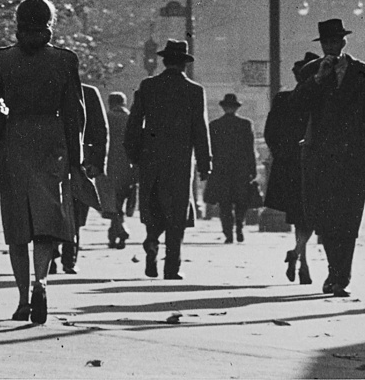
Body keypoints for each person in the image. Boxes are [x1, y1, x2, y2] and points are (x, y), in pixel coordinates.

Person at [0, 0, 83, 327]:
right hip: (51, 139)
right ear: (50, 23)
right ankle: (42, 282)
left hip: (16, 139)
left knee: (18, 224)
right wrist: (75, 159)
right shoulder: (65, 60)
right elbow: (75, 113)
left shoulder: (1, 59)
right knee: (47, 220)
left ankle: (22, 299)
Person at [289, 18, 365, 297]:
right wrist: (317, 80)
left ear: (343, 42)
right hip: (321, 157)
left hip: (353, 158)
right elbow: (296, 108)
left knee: (349, 219)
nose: (331, 47)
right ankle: (334, 271)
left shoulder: (364, 73)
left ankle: (342, 275)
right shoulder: (311, 71)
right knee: (327, 219)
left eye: (335, 42)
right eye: (326, 43)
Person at [123, 38, 210, 281]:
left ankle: (152, 240)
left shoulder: (148, 86)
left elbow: (134, 122)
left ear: (164, 60)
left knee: (153, 204)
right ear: (184, 64)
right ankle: (172, 266)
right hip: (181, 159)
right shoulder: (194, 90)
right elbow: (200, 129)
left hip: (151, 157)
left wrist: (133, 153)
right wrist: (205, 163)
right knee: (177, 211)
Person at [263, 53, 319, 282]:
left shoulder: (282, 99)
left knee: (301, 216)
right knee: (309, 215)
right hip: (309, 164)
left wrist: (282, 156)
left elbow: (270, 134)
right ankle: (300, 257)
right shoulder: (318, 99)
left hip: (291, 165)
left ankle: (299, 256)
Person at [60, 80, 109, 273]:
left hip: (72, 161)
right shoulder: (89, 92)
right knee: (75, 211)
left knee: (65, 209)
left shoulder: (86, 92)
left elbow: (100, 130)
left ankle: (59, 255)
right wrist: (98, 163)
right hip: (79, 161)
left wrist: (98, 163)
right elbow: (101, 130)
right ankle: (68, 258)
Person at [206, 91, 258, 244]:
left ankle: (228, 232)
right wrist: (252, 169)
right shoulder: (245, 124)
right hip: (240, 169)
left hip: (221, 169)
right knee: (241, 201)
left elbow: (211, 150)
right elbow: (250, 149)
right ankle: (239, 227)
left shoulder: (214, 125)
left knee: (225, 203)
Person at [100, 89, 134, 248]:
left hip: (109, 167)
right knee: (119, 203)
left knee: (112, 204)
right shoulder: (131, 119)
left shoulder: (105, 118)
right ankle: (116, 232)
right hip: (128, 168)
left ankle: (119, 229)